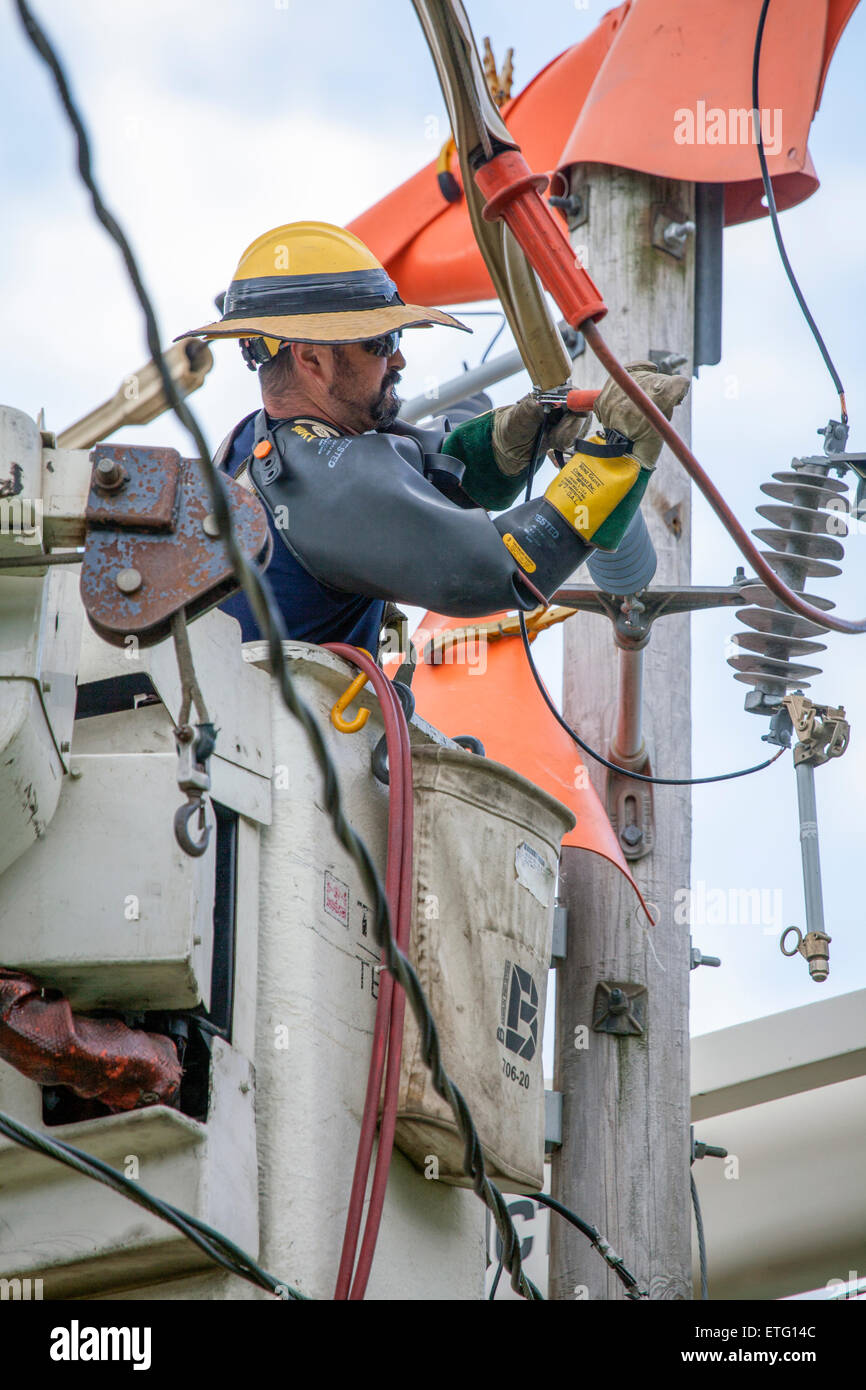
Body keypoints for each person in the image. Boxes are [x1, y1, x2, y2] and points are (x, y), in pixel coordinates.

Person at [176, 221, 688, 657]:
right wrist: (618, 450)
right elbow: (505, 567)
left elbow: (422, 469)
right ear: (312, 358)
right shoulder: (325, 478)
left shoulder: (263, 443)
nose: (397, 359)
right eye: (382, 342)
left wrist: (513, 436)